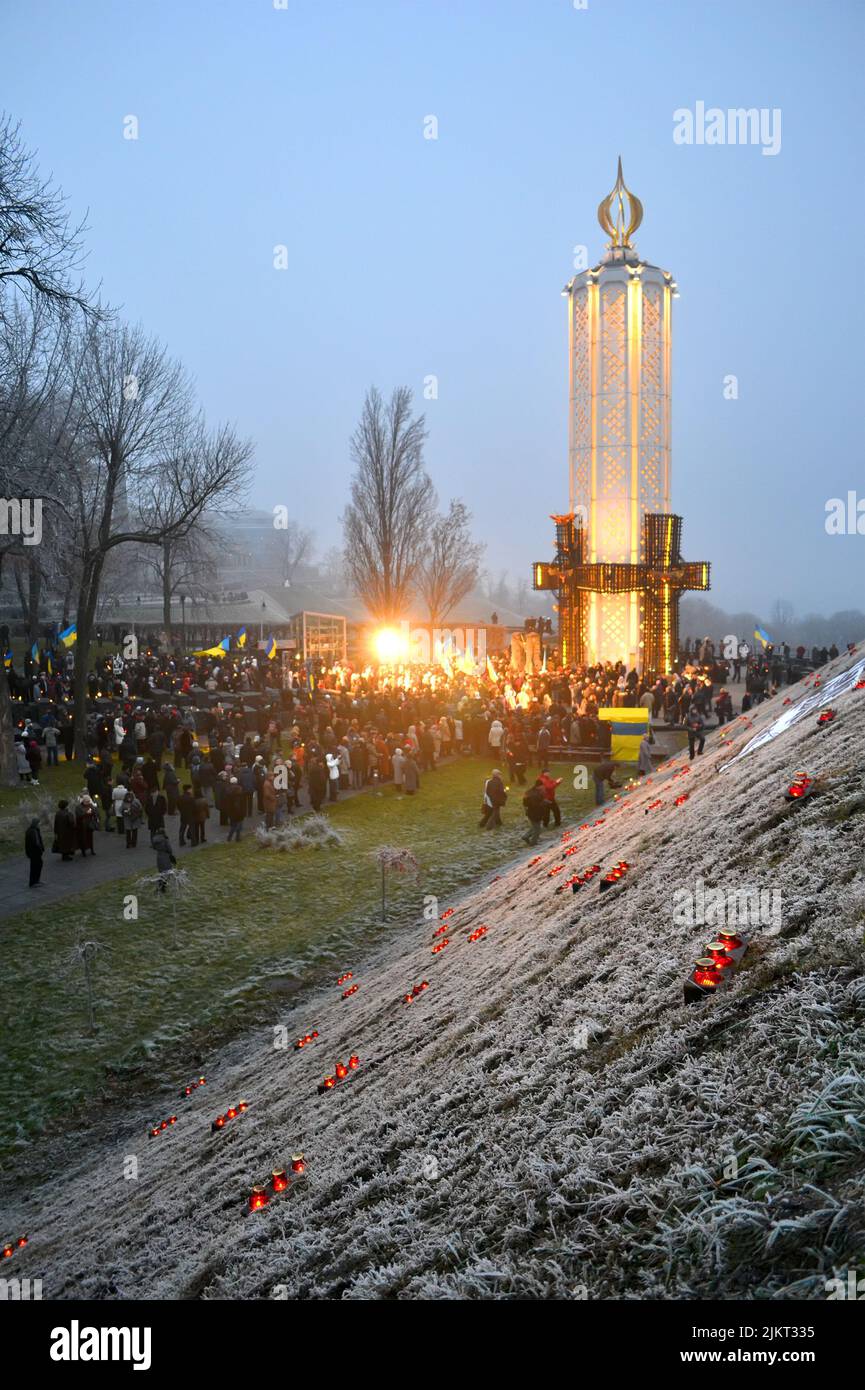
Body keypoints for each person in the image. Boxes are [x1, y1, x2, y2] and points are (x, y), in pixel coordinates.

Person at [522, 779, 547, 845]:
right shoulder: (538, 793)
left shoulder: (528, 792)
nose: (543, 787)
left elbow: (524, 803)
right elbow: (538, 804)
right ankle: (533, 842)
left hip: (530, 812)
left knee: (535, 826)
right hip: (536, 812)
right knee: (537, 829)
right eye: (542, 786)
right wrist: (545, 803)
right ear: (539, 786)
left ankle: (526, 836)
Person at [25, 816, 45, 886]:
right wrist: (41, 849)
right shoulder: (33, 831)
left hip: (32, 852)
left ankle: (36, 881)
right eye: (39, 823)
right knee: (36, 866)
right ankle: (34, 882)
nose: (40, 824)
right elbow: (36, 843)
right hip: (35, 853)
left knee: (36, 865)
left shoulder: (31, 830)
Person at [226, 776, 246, 841]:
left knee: (233, 826)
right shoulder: (239, 791)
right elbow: (240, 803)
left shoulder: (228, 790)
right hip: (238, 811)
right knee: (239, 825)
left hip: (231, 811)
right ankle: (237, 837)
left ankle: (229, 837)